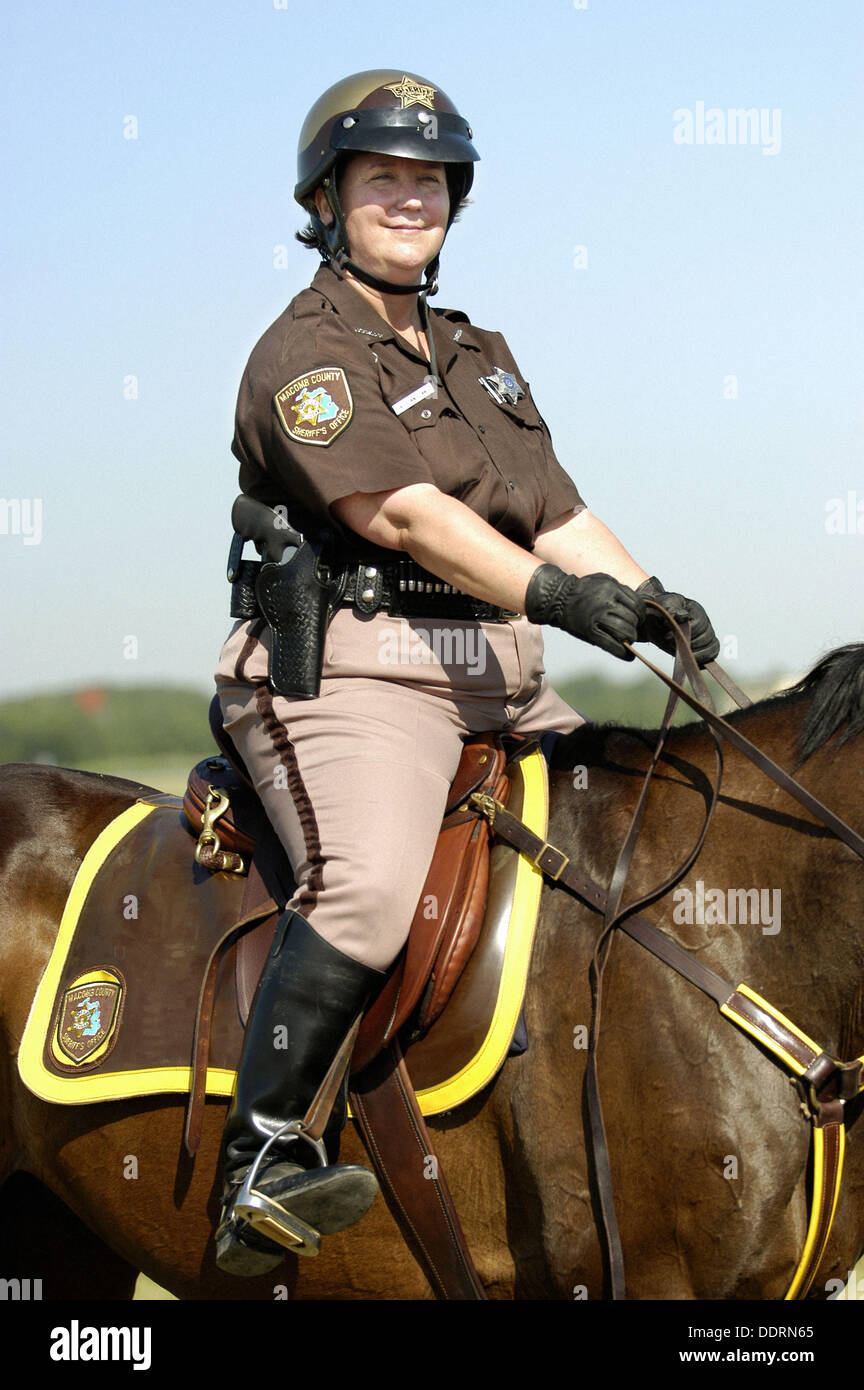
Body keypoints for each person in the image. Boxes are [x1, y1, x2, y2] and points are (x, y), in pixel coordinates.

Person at [213, 69, 719, 1276]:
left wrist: (650, 598)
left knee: (642, 836)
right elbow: (404, 515)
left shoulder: (477, 354)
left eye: (432, 180)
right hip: (357, 672)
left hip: (498, 668)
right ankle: (264, 1156)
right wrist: (558, 597)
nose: (412, 198)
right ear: (327, 200)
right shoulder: (303, 350)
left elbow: (557, 512)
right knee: (371, 889)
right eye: (384, 177)